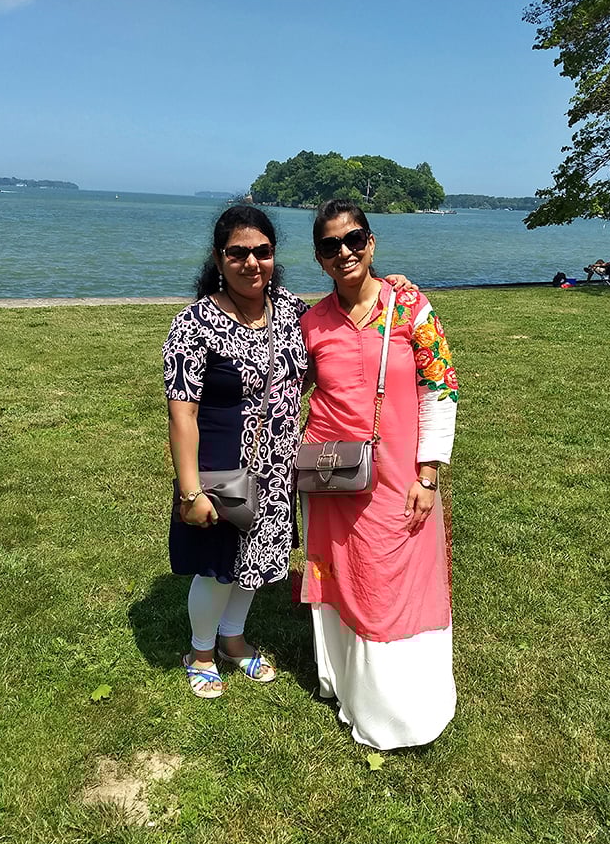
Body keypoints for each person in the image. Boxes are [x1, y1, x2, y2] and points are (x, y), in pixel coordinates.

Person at [300, 199, 458, 749]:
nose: (343, 252)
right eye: (330, 245)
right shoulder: (311, 322)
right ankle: (345, 684)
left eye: (353, 239)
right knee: (344, 575)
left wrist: (428, 474)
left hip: (400, 477)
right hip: (332, 478)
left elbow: (440, 389)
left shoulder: (410, 306)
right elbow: (285, 386)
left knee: (397, 578)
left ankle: (401, 707)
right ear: (319, 258)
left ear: (371, 243)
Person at [163, 205, 310, 698]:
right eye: (238, 253)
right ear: (218, 258)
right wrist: (190, 493)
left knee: (255, 562)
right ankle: (201, 652)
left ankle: (233, 640)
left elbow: (338, 327)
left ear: (274, 254)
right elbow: (182, 414)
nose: (251, 263)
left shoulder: (290, 310)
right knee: (218, 567)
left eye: (262, 252)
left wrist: (388, 286)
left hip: (278, 467)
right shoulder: (195, 324)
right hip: (223, 471)